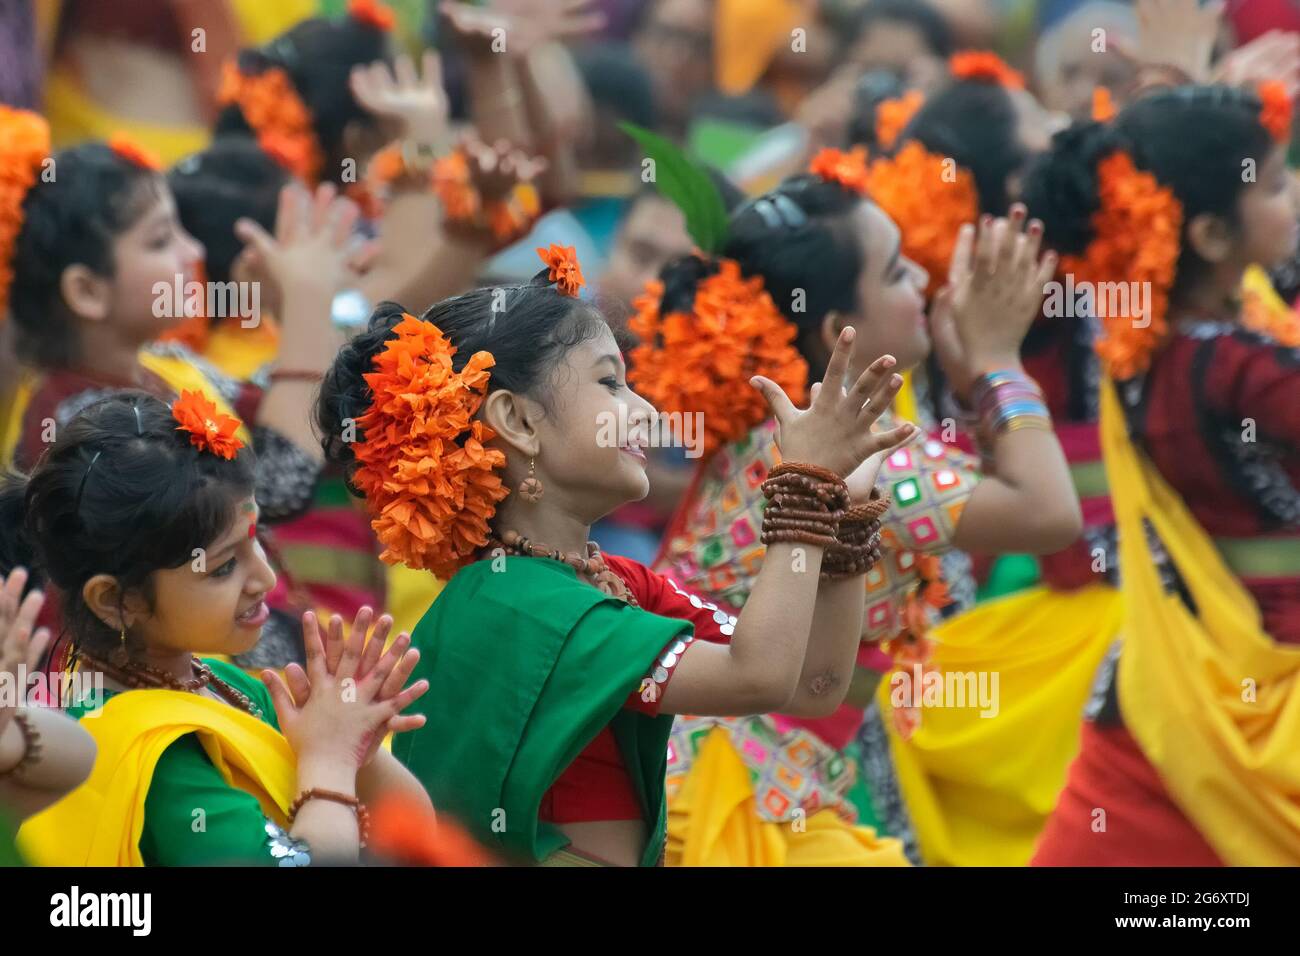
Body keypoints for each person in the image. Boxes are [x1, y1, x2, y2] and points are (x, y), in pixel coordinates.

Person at [315, 245, 918, 866]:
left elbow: (812, 685)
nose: (648, 412)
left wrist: (844, 512)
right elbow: (758, 674)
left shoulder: (608, 584)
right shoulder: (518, 601)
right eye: (610, 384)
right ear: (518, 421)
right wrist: (804, 487)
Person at [635, 152, 1080, 863]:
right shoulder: (857, 459)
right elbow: (1047, 512)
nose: (925, 284)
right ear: (838, 326)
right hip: (734, 790)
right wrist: (999, 358)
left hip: (727, 768)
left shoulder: (782, 424)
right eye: (899, 271)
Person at [1026, 83, 1300, 866]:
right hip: (1266, 692)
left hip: (1169, 703)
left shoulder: (1147, 346)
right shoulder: (1234, 368)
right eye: (1276, 186)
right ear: (1213, 233)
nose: (1293, 199)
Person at [9, 392, 431, 866]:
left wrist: (358, 749)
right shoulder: (154, 752)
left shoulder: (217, 681)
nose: (266, 579)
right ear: (116, 600)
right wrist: (329, 761)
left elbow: (415, 834)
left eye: (257, 542)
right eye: (223, 567)